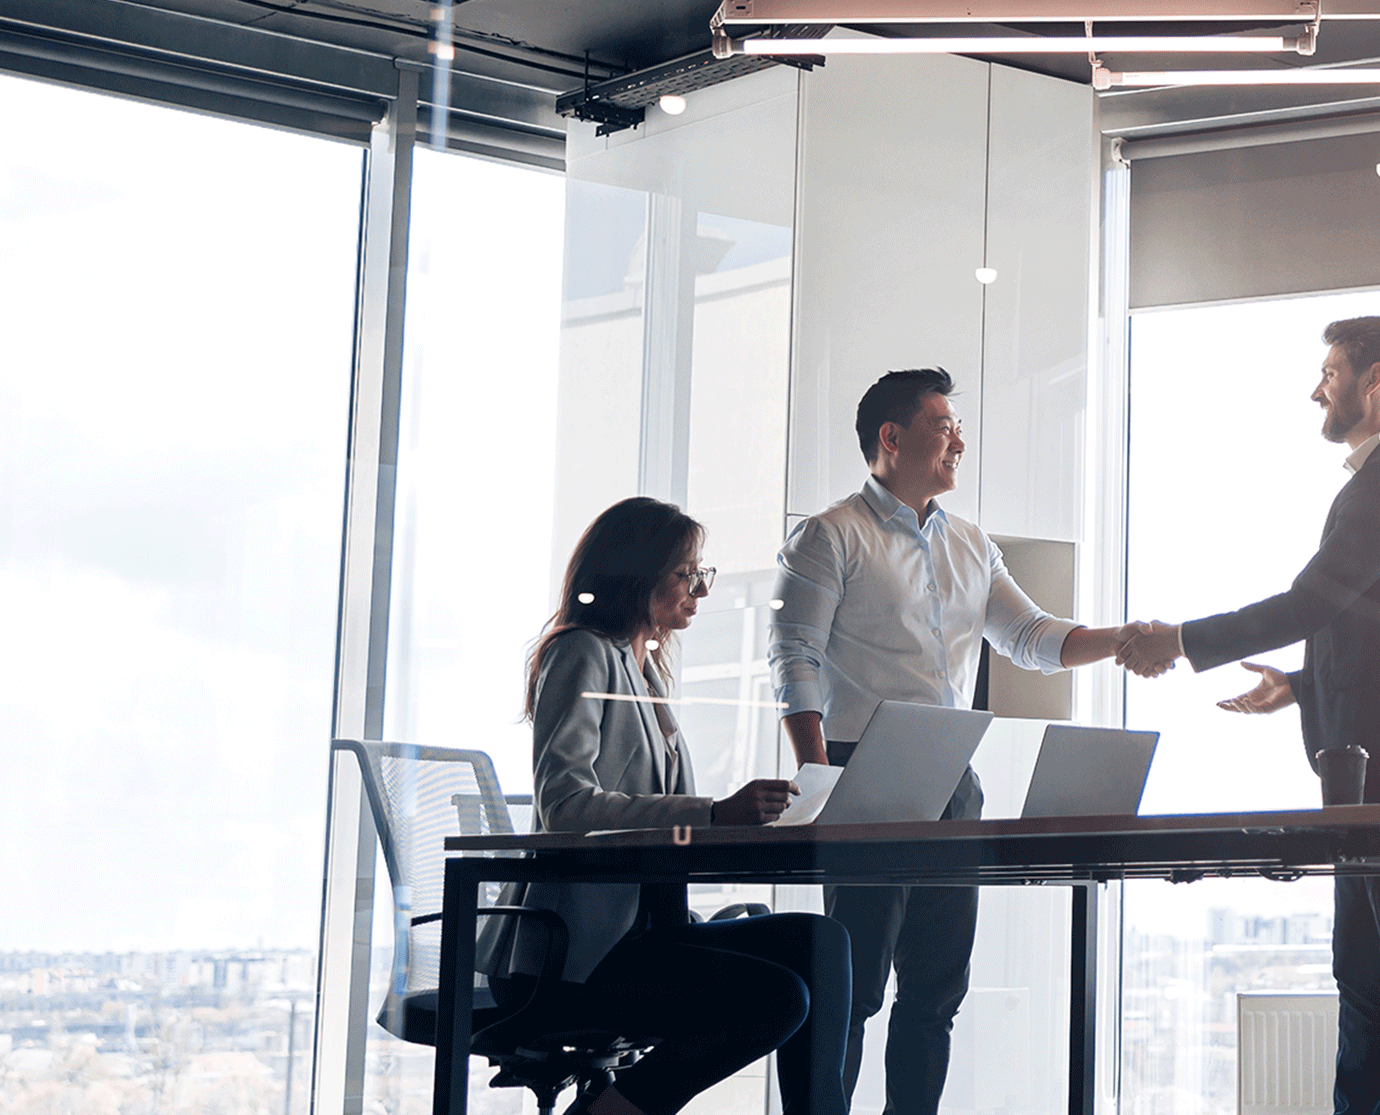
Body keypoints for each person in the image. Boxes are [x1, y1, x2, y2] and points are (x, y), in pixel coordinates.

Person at [1117, 316, 1380, 1115]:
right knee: (1368, 971)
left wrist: (1179, 639)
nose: (1319, 389)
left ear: (1373, 380)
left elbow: (1314, 600)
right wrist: (1306, 687)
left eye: (1332, 372)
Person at [769, 367, 1143, 1115]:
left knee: (936, 992)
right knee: (855, 990)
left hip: (953, 777)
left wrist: (1124, 639)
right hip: (859, 775)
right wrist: (818, 778)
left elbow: (1031, 638)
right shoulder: (829, 534)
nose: (959, 442)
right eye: (945, 426)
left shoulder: (972, 544)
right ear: (892, 436)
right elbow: (795, 660)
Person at [480, 496, 853, 1115]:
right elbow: (566, 805)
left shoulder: (643, 670)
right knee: (778, 997)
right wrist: (712, 814)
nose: (699, 591)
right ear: (638, 574)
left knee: (820, 941)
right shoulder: (581, 653)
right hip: (575, 958)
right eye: (687, 575)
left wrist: (744, 817)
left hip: (645, 932)